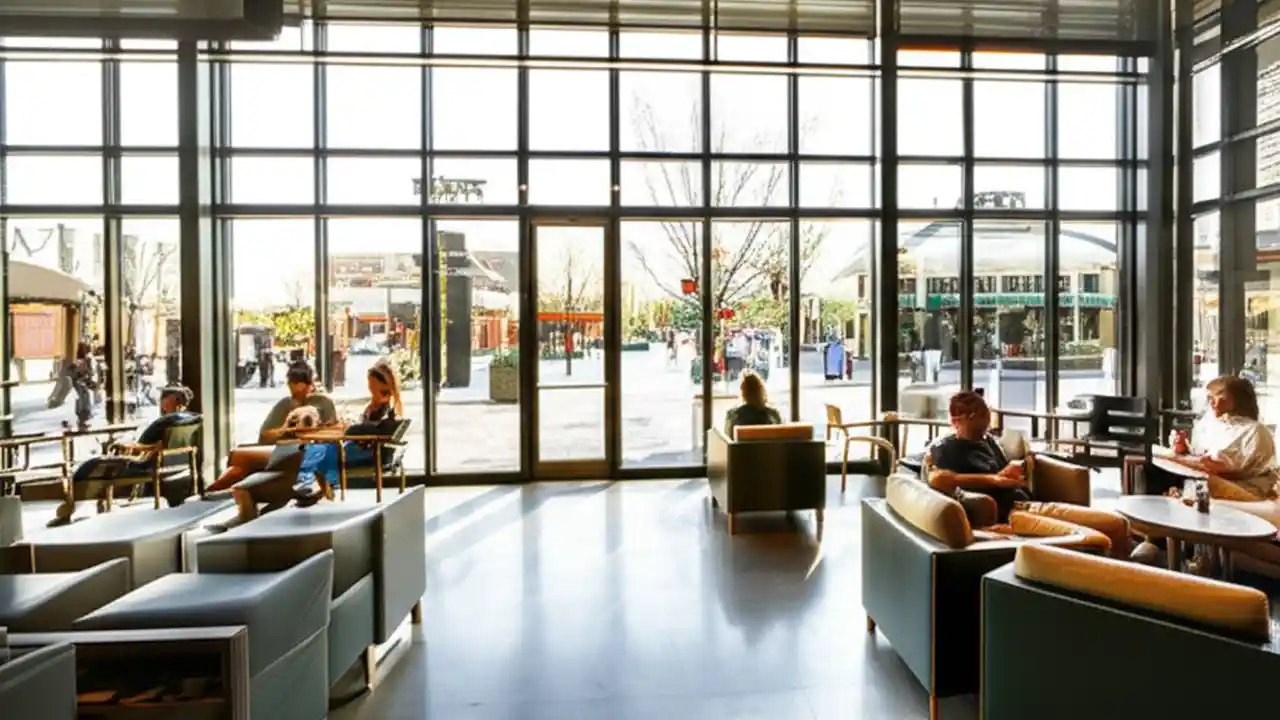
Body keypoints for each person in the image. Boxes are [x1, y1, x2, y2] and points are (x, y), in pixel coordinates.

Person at [52, 385, 198, 524]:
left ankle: (71, 506)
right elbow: (161, 446)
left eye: (164, 402)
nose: (162, 407)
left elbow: (142, 447)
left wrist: (125, 447)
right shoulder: (192, 420)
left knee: (95, 465)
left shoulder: (164, 423)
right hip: (178, 465)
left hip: (151, 466)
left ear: (169, 402)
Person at [207, 362, 336, 492]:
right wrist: (285, 430)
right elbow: (266, 434)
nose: (289, 388)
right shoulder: (288, 404)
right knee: (240, 462)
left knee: (239, 457)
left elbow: (321, 424)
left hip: (294, 454)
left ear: (301, 385)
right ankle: (214, 489)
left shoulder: (320, 402)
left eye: (291, 385)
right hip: (286, 451)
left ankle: (213, 490)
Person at [291, 360, 403, 504]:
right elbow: (365, 427)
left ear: (382, 385)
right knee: (317, 450)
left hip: (371, 452)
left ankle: (309, 486)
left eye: (372, 385)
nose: (370, 389)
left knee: (318, 451)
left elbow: (368, 430)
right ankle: (318, 489)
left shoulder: (387, 409)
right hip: (363, 447)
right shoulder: (381, 404)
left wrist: (351, 428)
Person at [1157, 375, 1280, 500]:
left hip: (1246, 493)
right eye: (1210, 397)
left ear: (1239, 399)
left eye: (1219, 396)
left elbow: (1216, 466)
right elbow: (1204, 458)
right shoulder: (1216, 426)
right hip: (1216, 487)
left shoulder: (1255, 431)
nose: (1212, 402)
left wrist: (1174, 458)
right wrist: (1183, 450)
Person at [927, 391, 1029, 522]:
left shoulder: (988, 441)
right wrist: (994, 480)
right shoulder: (945, 449)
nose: (986, 422)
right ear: (956, 420)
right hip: (1005, 513)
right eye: (979, 416)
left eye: (986, 415)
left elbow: (1002, 473)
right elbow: (938, 479)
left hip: (1022, 506)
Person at [723, 372, 782, 437]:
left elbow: (727, 441)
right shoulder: (773, 415)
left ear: (742, 391)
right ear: (761, 389)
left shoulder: (733, 415)